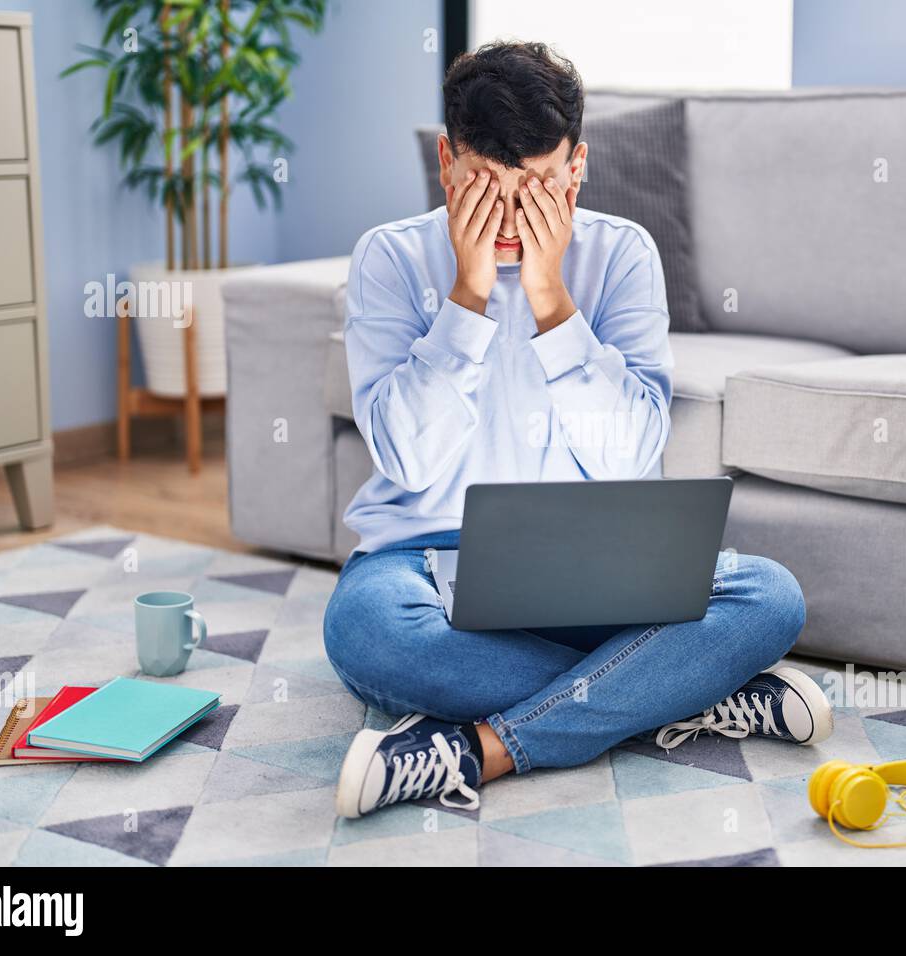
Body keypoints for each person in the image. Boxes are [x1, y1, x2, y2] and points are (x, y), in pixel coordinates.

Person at [324, 41, 832, 818]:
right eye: (484, 185)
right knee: (366, 633)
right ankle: (684, 689)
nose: (508, 214)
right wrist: (467, 300)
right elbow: (408, 460)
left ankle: (481, 748)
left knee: (771, 596)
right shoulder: (390, 259)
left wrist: (551, 300)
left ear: (577, 166)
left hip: (597, 566)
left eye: (535, 186)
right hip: (422, 566)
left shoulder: (622, 255)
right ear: (445, 159)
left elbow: (629, 459)